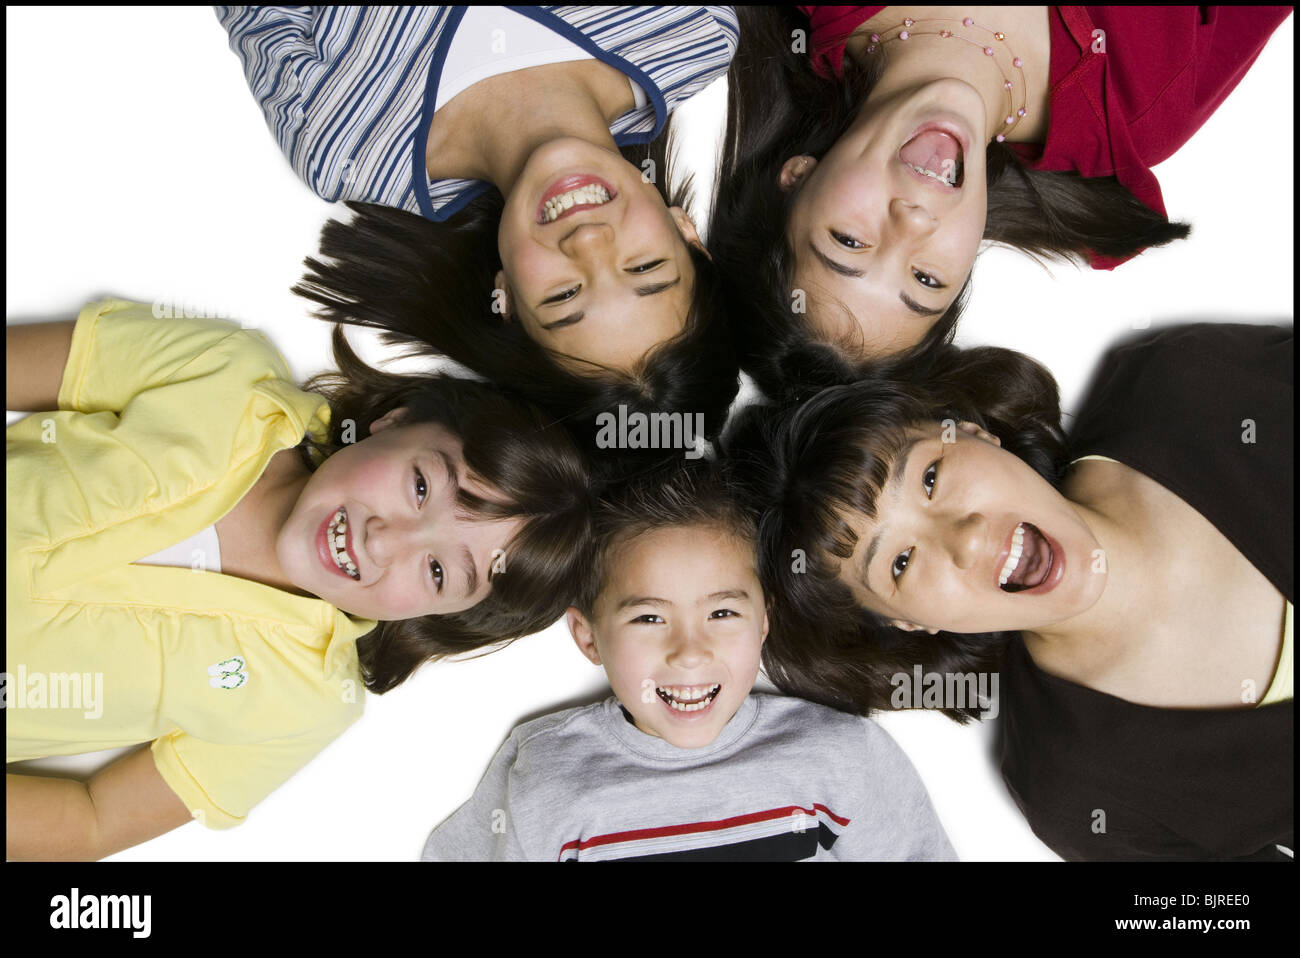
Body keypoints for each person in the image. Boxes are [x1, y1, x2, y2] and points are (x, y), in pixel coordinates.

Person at [6, 299, 594, 860]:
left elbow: (93, 818)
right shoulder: (224, 372)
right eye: (420, 486)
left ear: (437, 615)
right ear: (395, 421)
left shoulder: (304, 706)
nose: (385, 540)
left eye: (438, 571)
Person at [725, 322, 1293, 860]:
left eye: (929, 478)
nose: (967, 540)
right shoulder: (1075, 790)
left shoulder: (1182, 384)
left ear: (972, 431)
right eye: (899, 563)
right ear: (907, 622)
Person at [218, 7, 742, 469]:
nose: (588, 242)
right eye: (645, 268)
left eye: (564, 296)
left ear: (506, 298)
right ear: (685, 232)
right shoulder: (693, 28)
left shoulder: (342, 144)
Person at [709, 6, 1292, 400]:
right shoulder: (1135, 107)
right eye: (927, 278)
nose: (911, 224)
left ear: (797, 176)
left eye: (851, 242)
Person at [422, 461, 956, 860]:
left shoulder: (839, 756)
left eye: (722, 613)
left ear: (763, 621)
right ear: (588, 637)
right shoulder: (544, 774)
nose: (690, 651)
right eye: (649, 619)